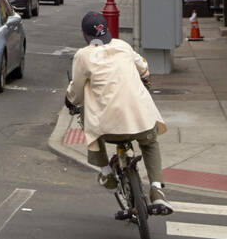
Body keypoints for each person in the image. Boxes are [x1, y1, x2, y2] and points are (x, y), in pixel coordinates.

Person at [66, 11, 173, 216]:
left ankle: (107, 174)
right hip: (141, 121)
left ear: (85, 35)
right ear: (106, 30)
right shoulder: (123, 46)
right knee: (150, 143)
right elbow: (143, 68)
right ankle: (157, 190)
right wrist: (144, 79)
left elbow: (77, 90)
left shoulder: (83, 56)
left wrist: (70, 101)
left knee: (89, 125)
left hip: (108, 128)